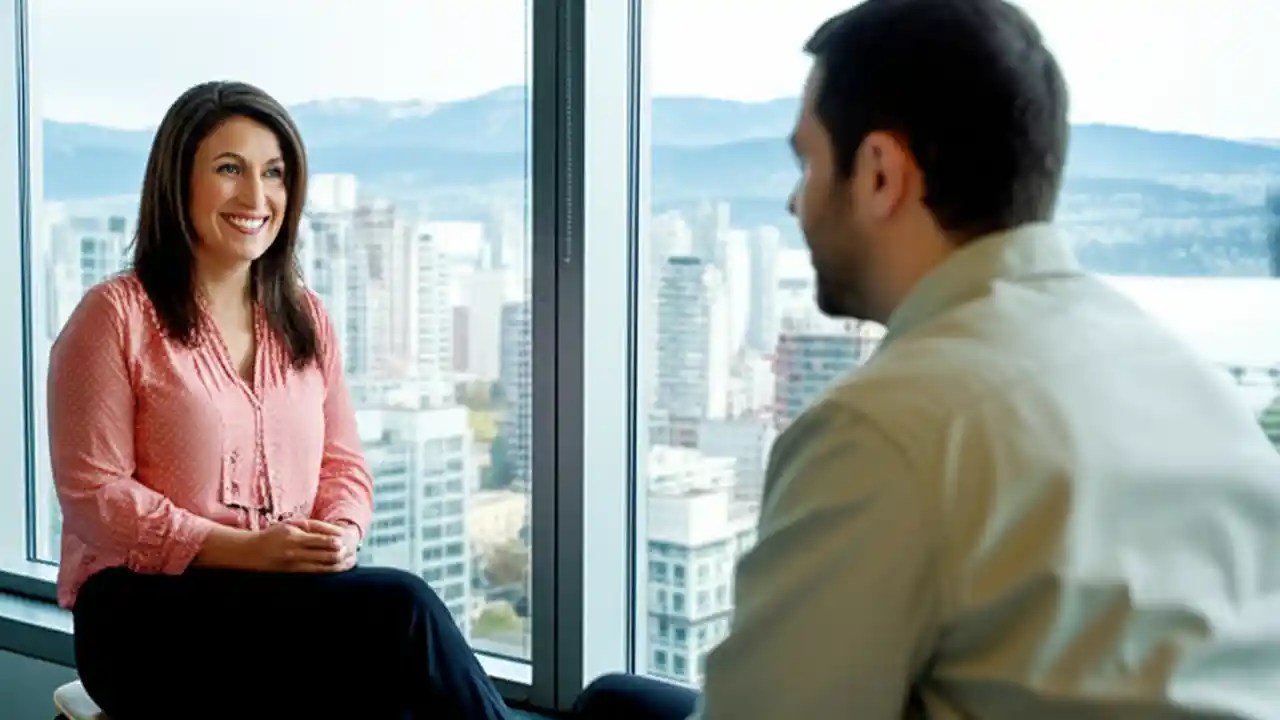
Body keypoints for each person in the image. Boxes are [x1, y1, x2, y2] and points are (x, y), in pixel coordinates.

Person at [575, 0, 1280, 718]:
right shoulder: (1191, 383)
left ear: (880, 173)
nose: (794, 203)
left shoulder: (887, 430)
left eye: (808, 162)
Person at [49, 80, 511, 720]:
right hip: (145, 614)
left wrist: (339, 535)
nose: (255, 196)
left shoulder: (305, 317)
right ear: (176, 182)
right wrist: (242, 549)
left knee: (392, 693)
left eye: (274, 173)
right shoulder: (114, 317)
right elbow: (95, 496)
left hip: (277, 599)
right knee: (401, 612)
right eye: (229, 169)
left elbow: (344, 467)